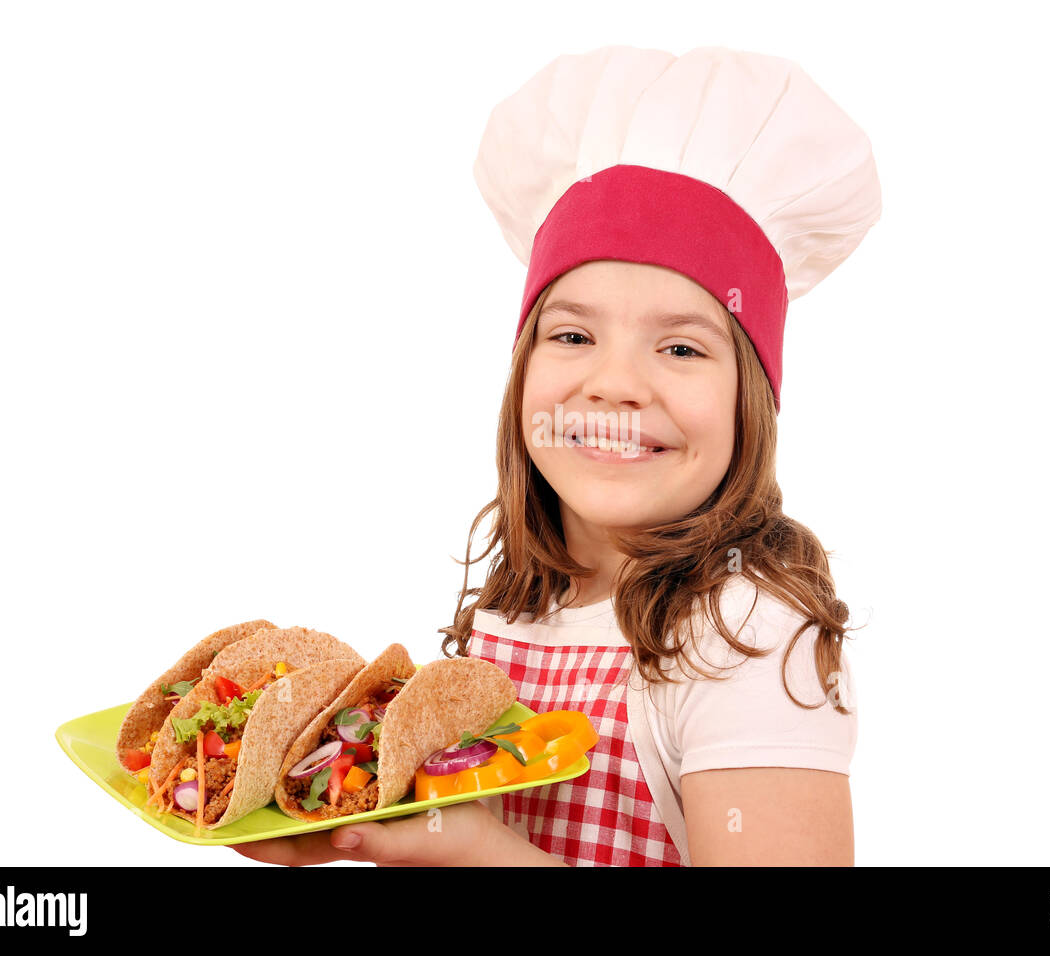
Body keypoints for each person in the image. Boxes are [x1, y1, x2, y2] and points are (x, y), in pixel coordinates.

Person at [233, 43, 880, 867]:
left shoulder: (746, 641)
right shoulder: (520, 604)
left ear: (750, 401)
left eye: (681, 349)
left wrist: (479, 853)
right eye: (573, 334)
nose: (614, 383)